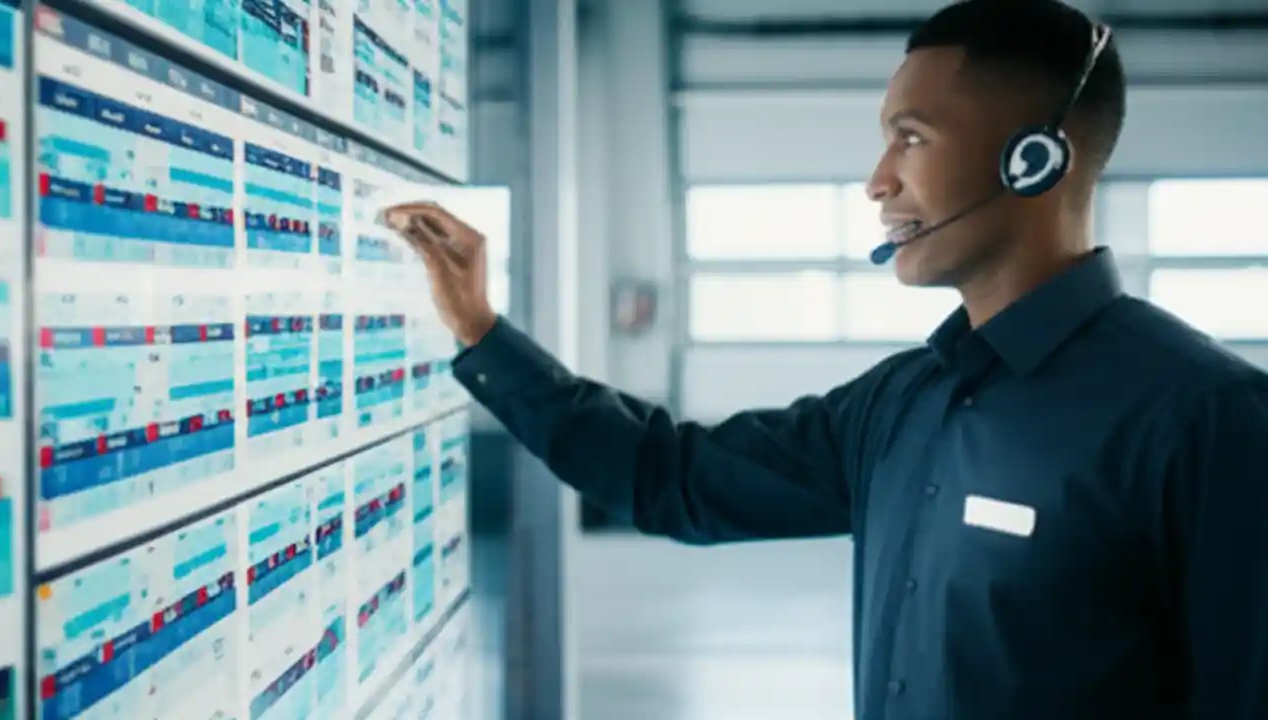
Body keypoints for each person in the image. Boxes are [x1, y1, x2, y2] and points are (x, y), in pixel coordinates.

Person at [387, 0, 1268, 717]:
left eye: (911, 137)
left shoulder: (1209, 419)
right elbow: (671, 475)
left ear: (1033, 160)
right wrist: (480, 329)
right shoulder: (901, 404)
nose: (877, 180)